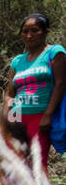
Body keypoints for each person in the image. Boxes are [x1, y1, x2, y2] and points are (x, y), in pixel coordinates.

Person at [5, 12, 66, 168]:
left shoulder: (55, 52)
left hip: (39, 116)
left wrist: (48, 115)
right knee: (16, 163)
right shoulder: (17, 61)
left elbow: (60, 84)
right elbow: (10, 93)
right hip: (16, 117)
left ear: (46, 32)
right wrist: (6, 116)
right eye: (25, 31)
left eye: (35, 30)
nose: (29, 35)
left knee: (38, 162)